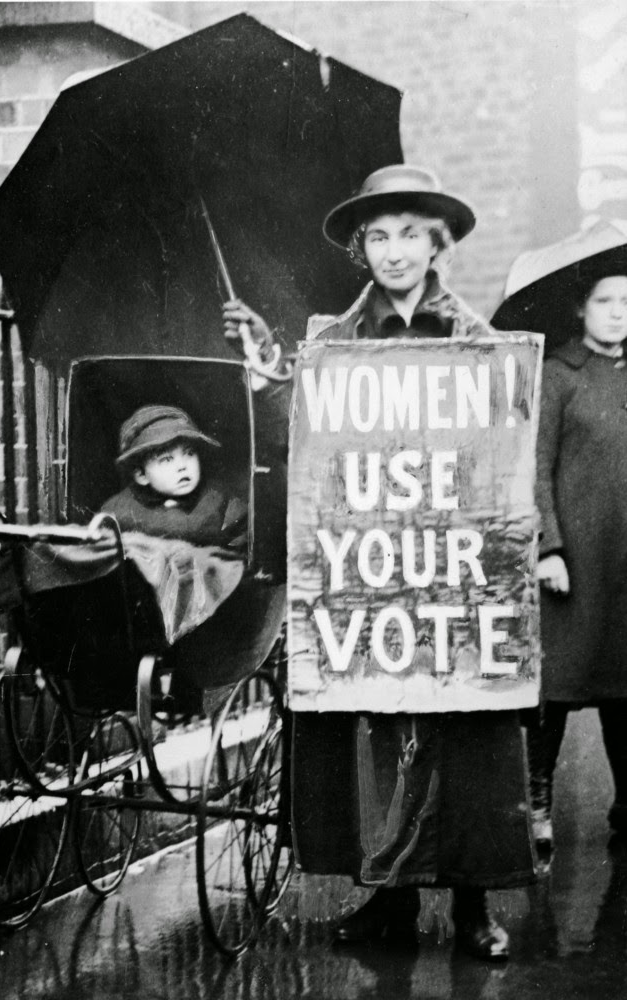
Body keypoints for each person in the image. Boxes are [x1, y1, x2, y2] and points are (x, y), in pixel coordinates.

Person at [223, 164, 535, 962]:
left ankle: (473, 908)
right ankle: (389, 903)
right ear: (362, 250)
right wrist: (267, 383)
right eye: (380, 236)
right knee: (380, 734)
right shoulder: (331, 345)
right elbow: (304, 448)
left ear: (438, 247)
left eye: (411, 235)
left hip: (453, 572)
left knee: (464, 735)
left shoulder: (480, 345)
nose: (396, 251)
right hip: (371, 572)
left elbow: (500, 459)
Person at [526, 267, 627, 859]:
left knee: (625, 690)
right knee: (555, 692)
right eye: (605, 301)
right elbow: (535, 469)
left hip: (625, 563)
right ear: (581, 310)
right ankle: (536, 809)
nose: (618, 312)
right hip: (575, 565)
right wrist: (548, 550)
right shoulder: (558, 376)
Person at [100, 404, 247, 550]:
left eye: (189, 453)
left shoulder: (220, 498)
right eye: (166, 459)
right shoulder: (118, 511)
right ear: (141, 475)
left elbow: (243, 541)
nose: (182, 466)